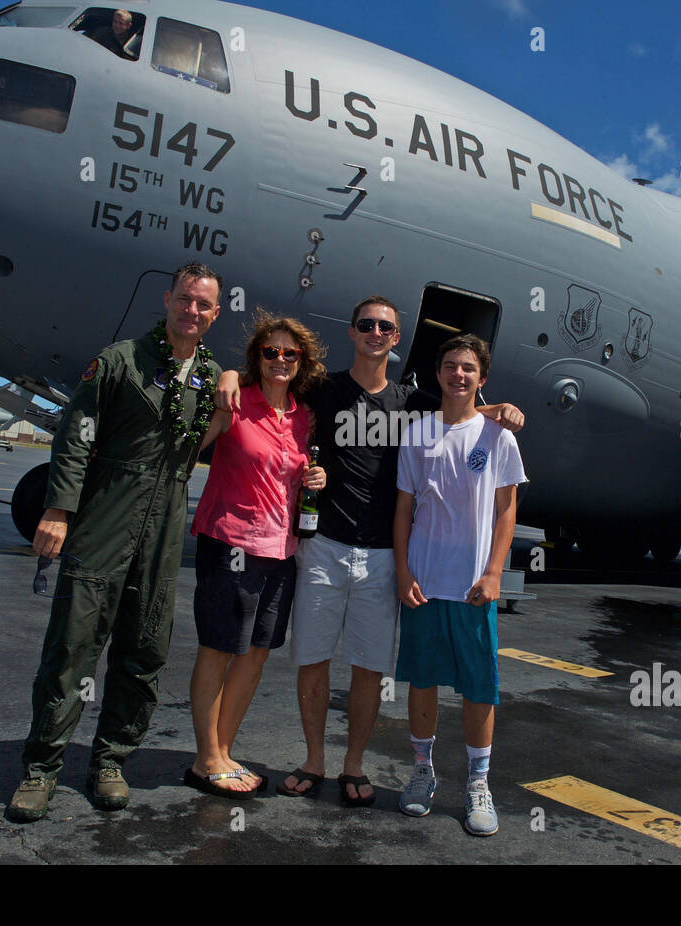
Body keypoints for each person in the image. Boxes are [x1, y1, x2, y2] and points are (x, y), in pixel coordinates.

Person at [215, 297, 523, 807]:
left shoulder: (412, 401)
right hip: (323, 546)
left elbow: (461, 409)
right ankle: (314, 760)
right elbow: (271, 379)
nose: (375, 332)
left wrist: (498, 409)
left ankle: (353, 765)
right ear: (353, 331)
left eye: (385, 326)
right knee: (312, 659)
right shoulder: (325, 388)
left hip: (382, 555)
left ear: (397, 338)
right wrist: (228, 373)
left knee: (368, 667)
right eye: (366, 324)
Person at [6, 262, 223, 822]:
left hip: (167, 523)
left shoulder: (209, 376)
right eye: (184, 300)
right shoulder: (119, 362)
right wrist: (58, 509)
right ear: (168, 301)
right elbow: (75, 437)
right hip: (106, 515)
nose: (192, 311)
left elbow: (208, 440)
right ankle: (41, 767)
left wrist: (231, 385)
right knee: (73, 646)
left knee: (144, 648)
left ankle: (110, 761)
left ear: (214, 314)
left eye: (203, 305)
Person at [184, 312, 328, 798]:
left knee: (257, 653)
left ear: (301, 360)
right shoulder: (234, 402)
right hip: (230, 543)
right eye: (271, 352)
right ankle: (206, 759)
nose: (280, 360)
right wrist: (222, 377)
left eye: (290, 353)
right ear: (256, 358)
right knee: (219, 648)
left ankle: (222, 751)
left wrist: (316, 479)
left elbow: (300, 473)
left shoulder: (303, 417)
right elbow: (187, 446)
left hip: (282, 550)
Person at [393, 334, 525, 836]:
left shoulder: (499, 438)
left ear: (482, 378)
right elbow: (404, 509)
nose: (458, 375)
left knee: (478, 688)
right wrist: (404, 571)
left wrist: (495, 572)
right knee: (422, 682)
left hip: (473, 587)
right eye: (450, 366)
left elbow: (507, 509)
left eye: (468, 368)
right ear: (438, 373)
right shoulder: (417, 433)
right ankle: (423, 772)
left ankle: (477, 784)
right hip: (425, 584)